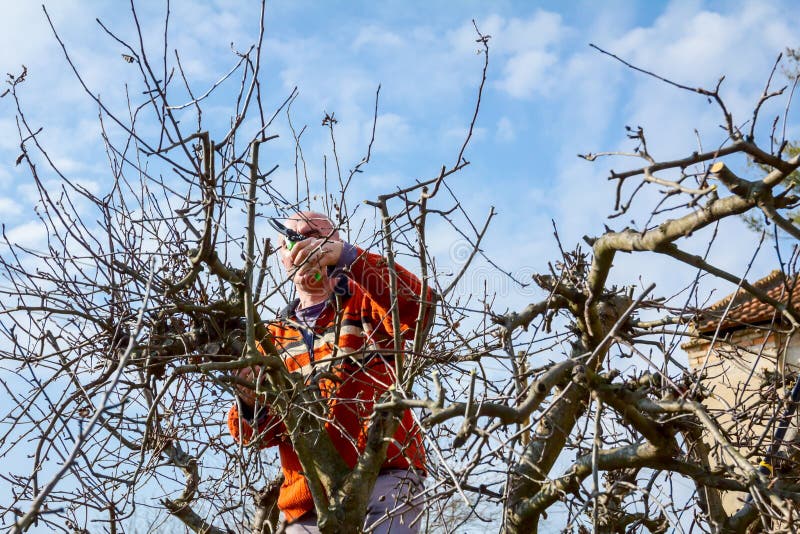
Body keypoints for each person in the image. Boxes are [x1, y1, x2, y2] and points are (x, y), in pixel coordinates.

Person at [227, 211, 434, 533]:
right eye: (292, 239)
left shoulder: (369, 305)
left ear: (337, 242)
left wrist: (350, 258)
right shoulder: (269, 339)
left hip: (384, 476)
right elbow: (253, 436)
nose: (304, 243)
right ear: (282, 258)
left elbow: (418, 306)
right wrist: (250, 401)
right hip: (308, 502)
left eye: (315, 234)